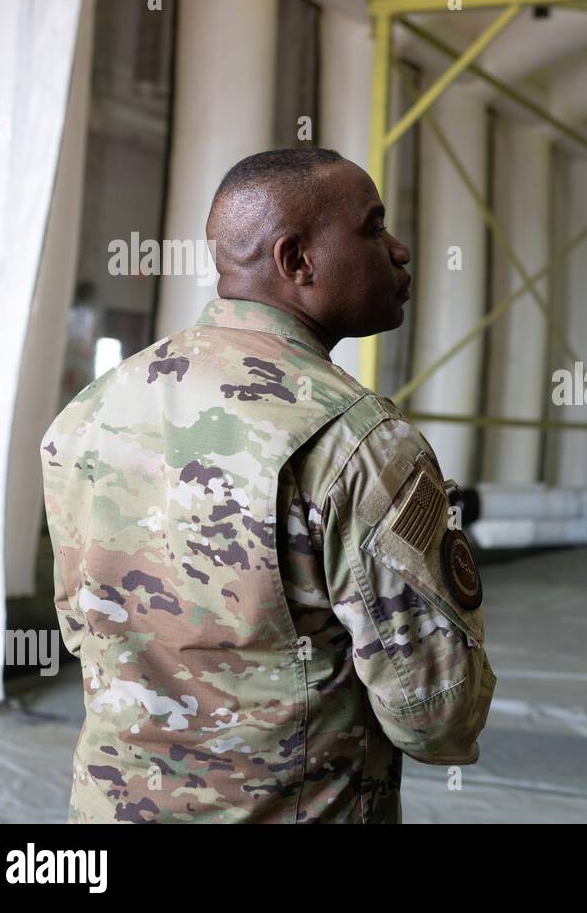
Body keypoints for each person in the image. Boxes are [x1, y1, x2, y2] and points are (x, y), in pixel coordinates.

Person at [40, 148, 494, 823]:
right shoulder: (357, 442)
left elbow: (86, 632)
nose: (398, 251)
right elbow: (433, 715)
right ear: (296, 261)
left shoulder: (89, 412)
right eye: (373, 228)